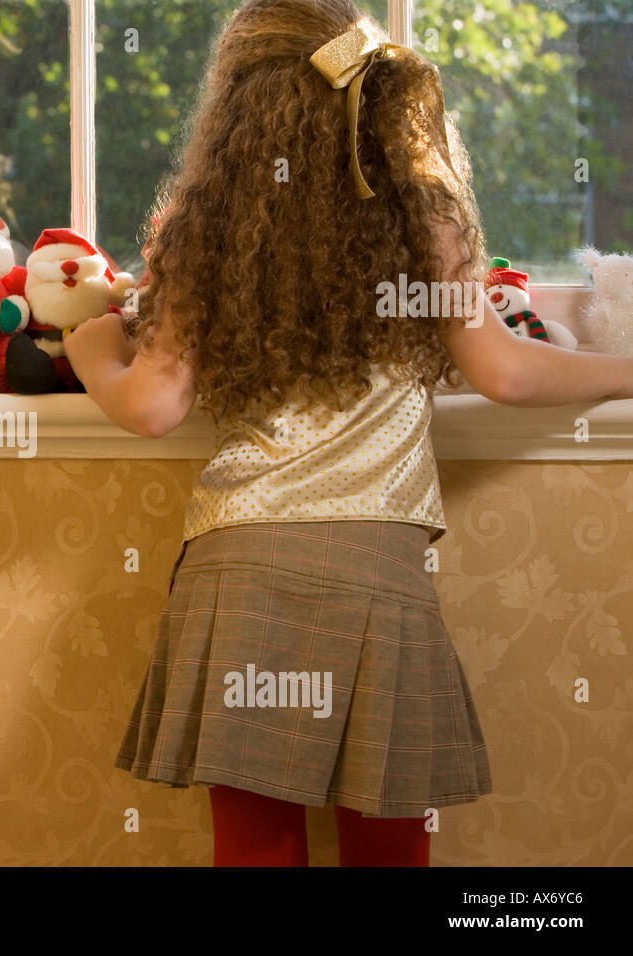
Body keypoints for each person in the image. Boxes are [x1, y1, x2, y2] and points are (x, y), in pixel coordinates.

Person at [64, 0, 633, 867]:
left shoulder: (206, 224)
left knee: (259, 852)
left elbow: (151, 405)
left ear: (236, 102)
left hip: (239, 570)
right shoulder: (424, 216)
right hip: (376, 571)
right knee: (390, 850)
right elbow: (509, 373)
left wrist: (93, 346)